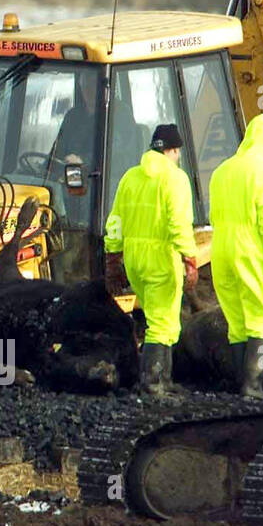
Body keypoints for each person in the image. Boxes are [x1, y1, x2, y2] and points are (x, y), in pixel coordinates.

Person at [103, 123, 197, 396]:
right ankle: (153, 382)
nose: (178, 157)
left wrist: (113, 257)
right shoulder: (175, 179)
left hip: (135, 262)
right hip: (161, 260)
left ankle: (164, 380)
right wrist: (189, 259)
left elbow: (116, 221)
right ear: (172, 150)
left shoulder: (130, 177)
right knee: (162, 321)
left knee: (156, 316)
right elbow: (180, 224)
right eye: (177, 152)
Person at [208, 114, 263, 398]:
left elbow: (213, 216)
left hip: (220, 249)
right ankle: (255, 384)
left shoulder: (221, 171)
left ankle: (239, 382)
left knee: (237, 321)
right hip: (252, 250)